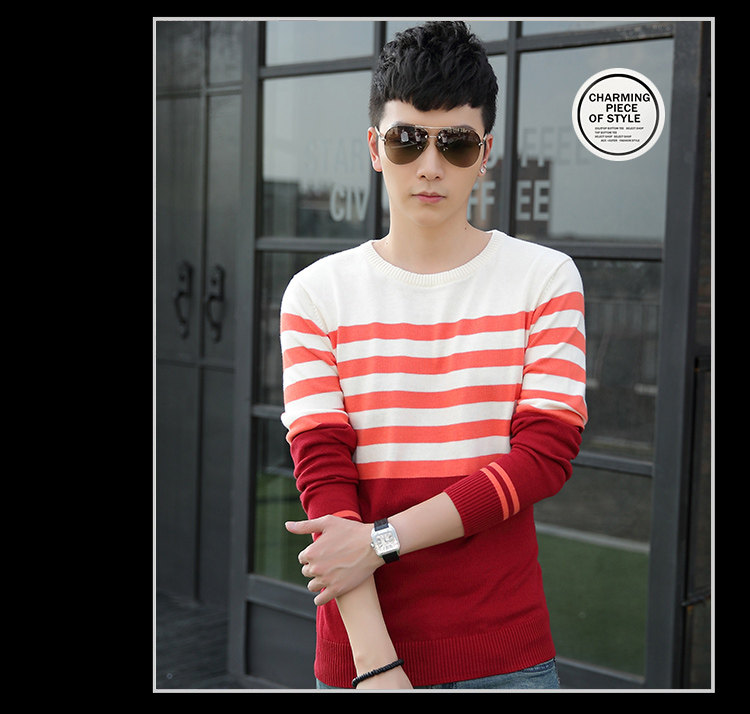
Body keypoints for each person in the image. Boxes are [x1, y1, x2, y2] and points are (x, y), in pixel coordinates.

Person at [281, 21, 587, 690]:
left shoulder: (543, 279)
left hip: (504, 658)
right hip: (363, 658)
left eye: (455, 143)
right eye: (406, 140)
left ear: (486, 154)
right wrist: (375, 662)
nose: (429, 166)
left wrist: (381, 540)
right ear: (374, 147)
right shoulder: (316, 294)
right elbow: (325, 481)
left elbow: (543, 456)